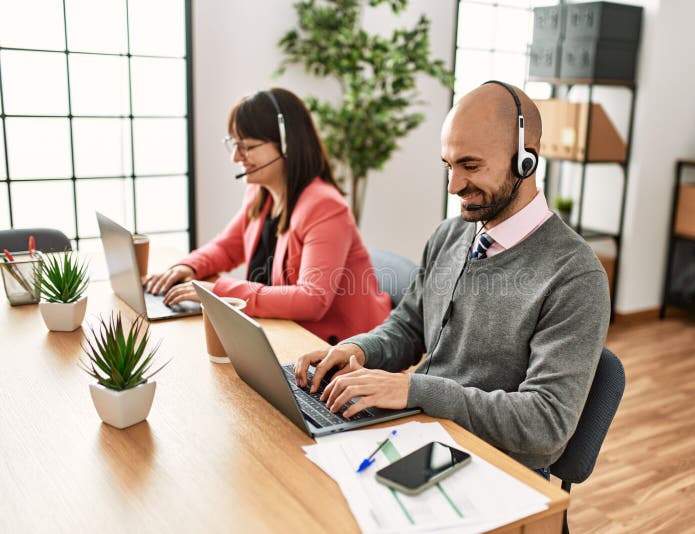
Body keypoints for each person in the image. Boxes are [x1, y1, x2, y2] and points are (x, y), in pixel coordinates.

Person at [294, 81, 610, 475]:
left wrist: (414, 390)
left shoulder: (574, 276)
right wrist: (357, 351)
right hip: (424, 431)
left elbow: (545, 426)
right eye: (449, 165)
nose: (454, 186)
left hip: (494, 467)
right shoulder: (451, 235)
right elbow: (409, 327)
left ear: (526, 158)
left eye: (471, 166)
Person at [144, 88, 391, 345]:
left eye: (247, 146)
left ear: (286, 145)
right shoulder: (261, 193)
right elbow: (228, 246)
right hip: (284, 333)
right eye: (234, 145)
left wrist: (219, 292)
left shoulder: (325, 207)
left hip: (339, 348)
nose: (236, 157)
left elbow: (312, 300)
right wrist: (188, 267)